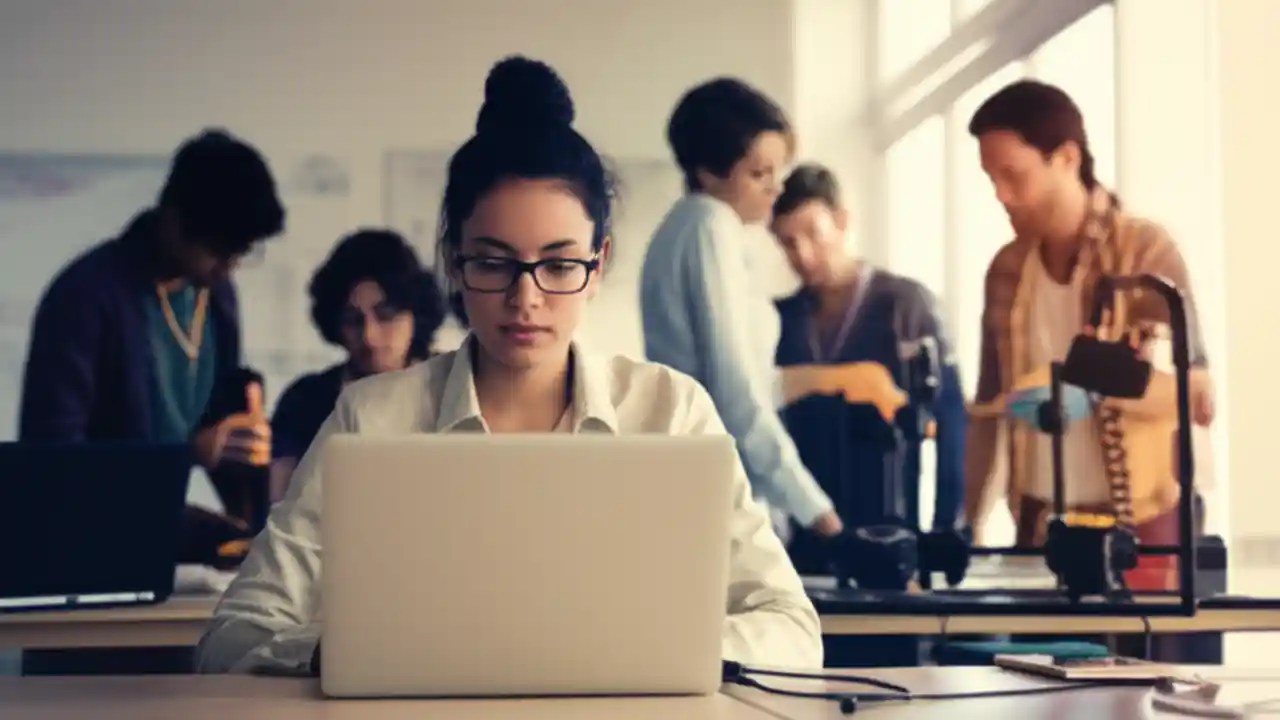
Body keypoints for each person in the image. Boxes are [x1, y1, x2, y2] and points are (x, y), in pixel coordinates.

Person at [195, 56, 823, 674]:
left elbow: (791, 627)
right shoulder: (373, 417)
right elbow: (232, 637)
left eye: (558, 264)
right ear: (454, 260)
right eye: (494, 263)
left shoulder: (669, 412)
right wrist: (346, 653)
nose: (526, 300)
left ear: (598, 265)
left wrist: (653, 648)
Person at [963, 80, 1215, 587]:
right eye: (991, 179)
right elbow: (989, 409)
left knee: (1138, 668)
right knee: (1032, 666)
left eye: (1014, 176)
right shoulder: (1007, 269)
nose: (1001, 196)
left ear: (1067, 158)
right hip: (1040, 526)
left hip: (1141, 525)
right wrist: (965, 531)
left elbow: (1196, 395)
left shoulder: (1144, 251)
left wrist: (1085, 388)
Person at [19, 128, 284, 529]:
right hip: (87, 544)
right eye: (218, 249)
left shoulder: (216, 296)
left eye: (241, 252)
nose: (229, 267)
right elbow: (52, 463)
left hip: (152, 534)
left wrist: (243, 452)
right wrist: (187, 454)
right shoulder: (86, 296)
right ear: (173, 221)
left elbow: (216, 428)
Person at [639, 78, 843, 546]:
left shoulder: (689, 226)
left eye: (778, 171)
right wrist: (820, 514)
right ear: (710, 173)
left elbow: (747, 382)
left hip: (709, 487)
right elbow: (735, 393)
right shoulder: (709, 224)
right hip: (716, 497)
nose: (776, 188)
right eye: (759, 173)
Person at [770, 164, 967, 571]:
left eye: (813, 235)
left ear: (841, 222)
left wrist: (950, 529)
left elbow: (951, 422)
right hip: (808, 531)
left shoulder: (906, 305)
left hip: (894, 525)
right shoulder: (780, 319)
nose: (803, 255)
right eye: (788, 242)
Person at [268, 229, 446, 501]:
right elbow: (279, 504)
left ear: (416, 314)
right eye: (353, 320)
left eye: (386, 316)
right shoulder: (304, 401)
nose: (369, 337)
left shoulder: (454, 386)